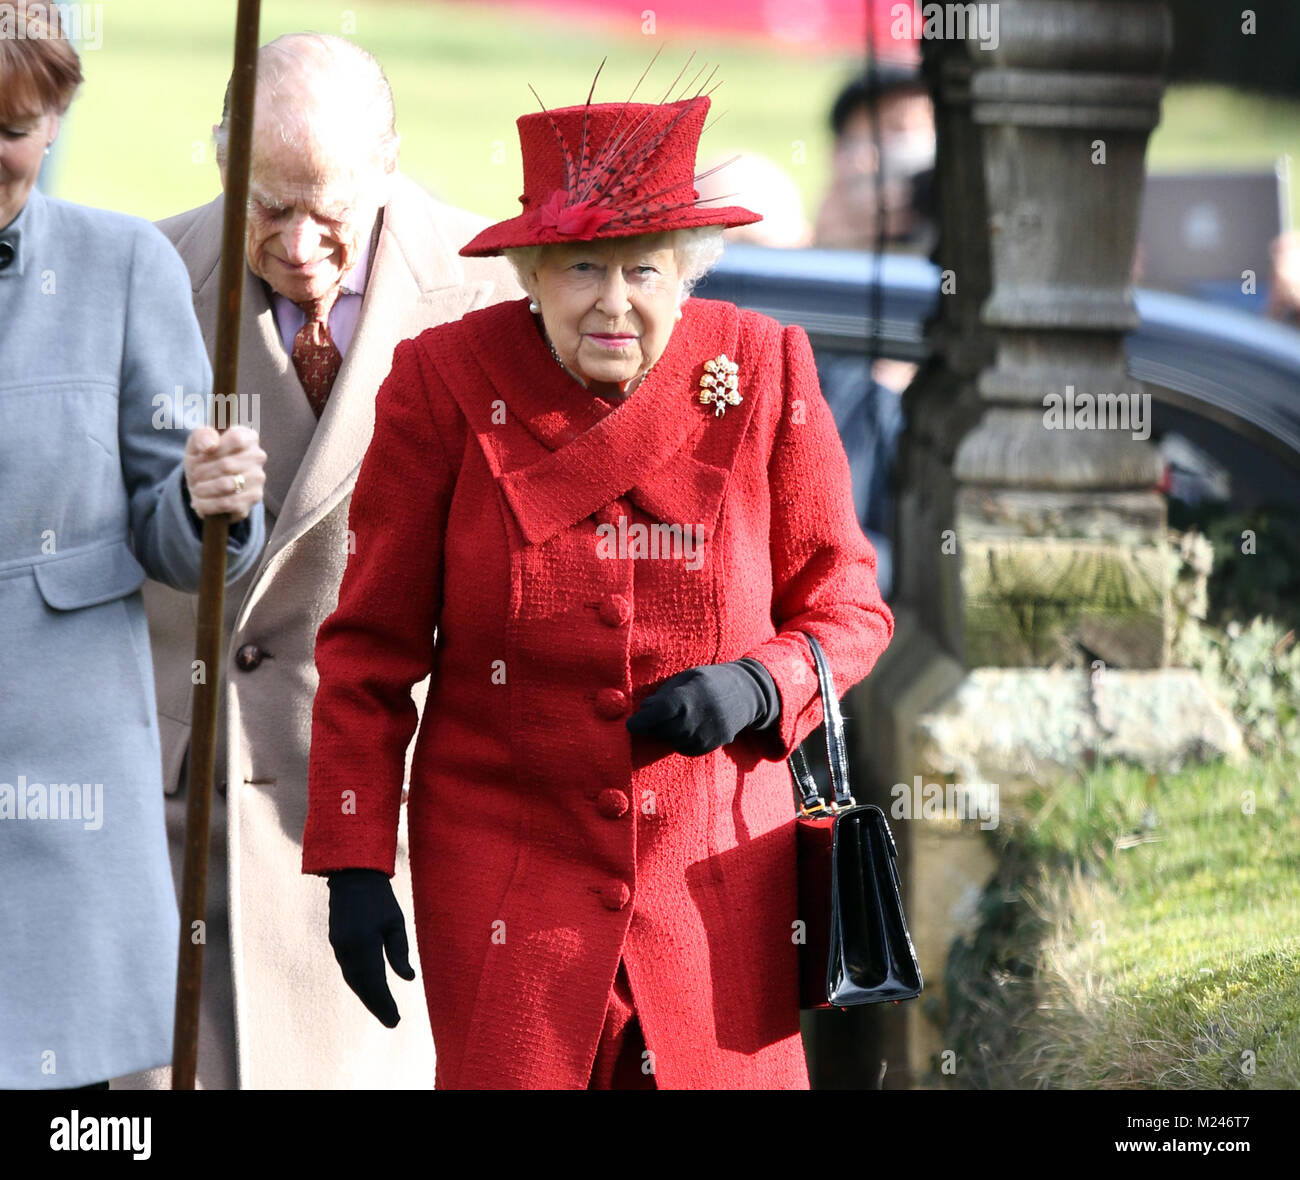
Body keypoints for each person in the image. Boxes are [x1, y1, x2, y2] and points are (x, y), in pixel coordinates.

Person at [300, 73, 895, 1089]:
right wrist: (354, 858)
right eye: (582, 267)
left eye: (644, 269)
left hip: (714, 884)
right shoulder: (443, 385)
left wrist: (759, 686)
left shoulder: (765, 371)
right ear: (528, 271)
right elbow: (368, 648)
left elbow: (849, 607)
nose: (613, 302)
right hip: (507, 881)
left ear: (688, 273)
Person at [124, 34, 520, 1090]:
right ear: (221, 162)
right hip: (179, 836)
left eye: (329, 209)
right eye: (268, 205)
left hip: (386, 832)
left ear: (390, 163)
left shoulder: (497, 294)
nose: (300, 245)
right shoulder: (145, 278)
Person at [0, 0, 266, 1090]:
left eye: (13, 126)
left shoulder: (121, 268)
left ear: (55, 119)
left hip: (65, 774)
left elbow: (173, 536)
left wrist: (212, 502)